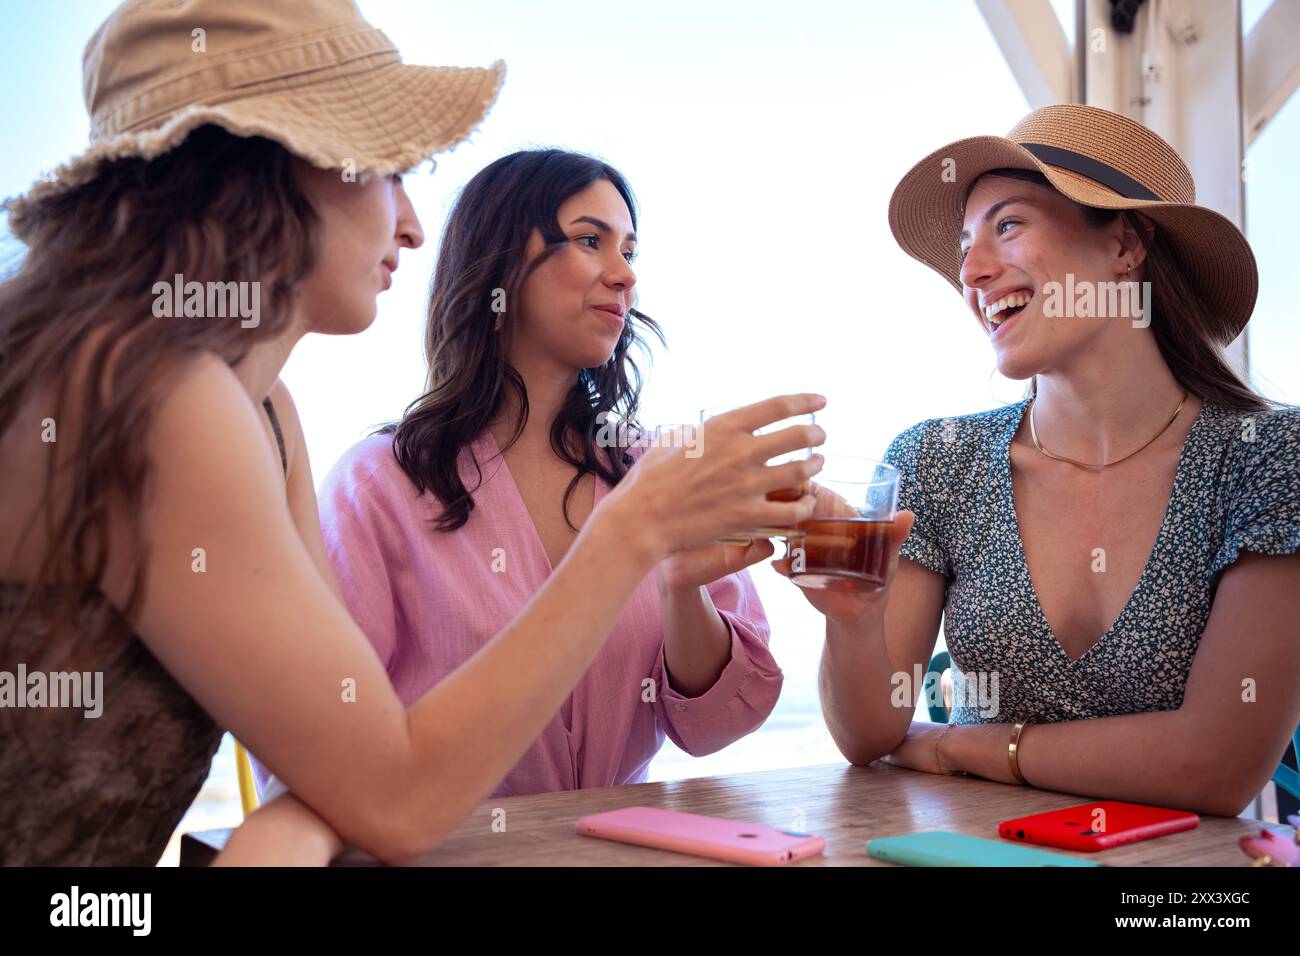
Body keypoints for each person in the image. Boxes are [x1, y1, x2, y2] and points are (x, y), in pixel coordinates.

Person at [0, 0, 823, 866]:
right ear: (270, 168)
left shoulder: (266, 413)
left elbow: (349, 755)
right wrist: (636, 527)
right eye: (388, 170)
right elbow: (394, 794)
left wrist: (300, 819)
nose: (412, 223)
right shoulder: (160, 395)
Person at [785, 104, 1299, 816]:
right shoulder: (938, 460)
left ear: (1125, 242)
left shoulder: (1268, 459)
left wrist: (964, 747)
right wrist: (850, 620)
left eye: (1008, 224)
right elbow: (870, 734)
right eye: (965, 245)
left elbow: (1216, 765)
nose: (972, 271)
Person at [252, 149, 797, 804]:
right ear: (501, 261)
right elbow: (311, 755)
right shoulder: (377, 486)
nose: (624, 274)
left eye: (630, 250)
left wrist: (683, 587)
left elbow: (717, 725)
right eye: (592, 240)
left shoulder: (656, 472)